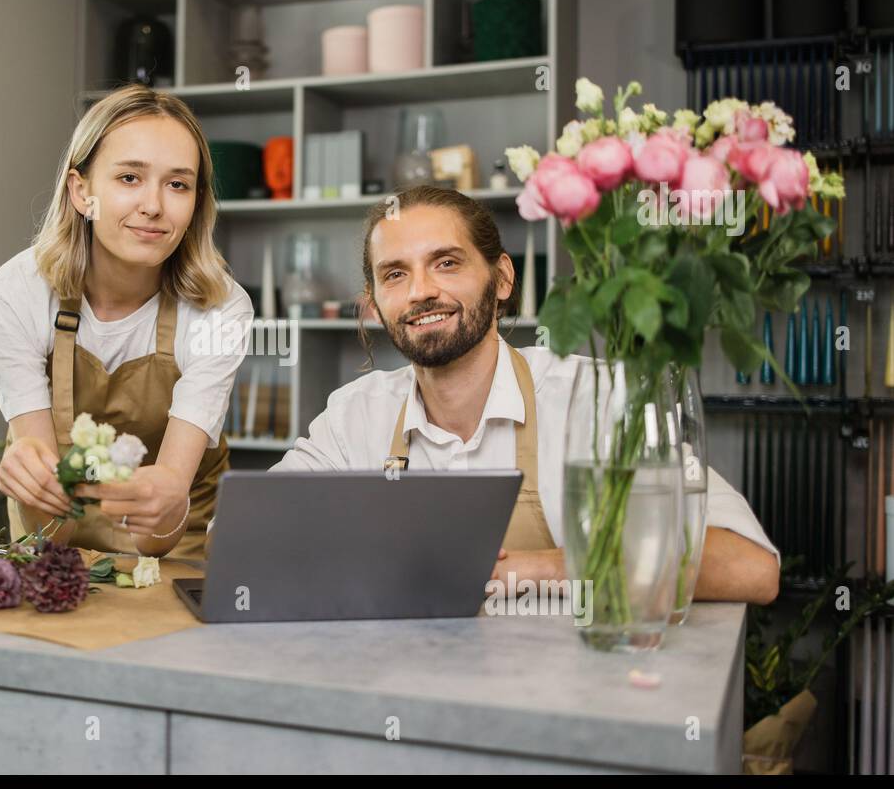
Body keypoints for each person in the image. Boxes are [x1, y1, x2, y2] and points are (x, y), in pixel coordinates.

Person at [271, 185, 779, 605]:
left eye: (446, 263)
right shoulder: (354, 416)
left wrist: (550, 566)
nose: (420, 291)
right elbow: (254, 534)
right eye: (395, 274)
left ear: (503, 278)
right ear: (375, 302)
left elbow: (748, 566)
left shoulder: (594, 398)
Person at [0, 84, 253, 560]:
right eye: (130, 178)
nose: (153, 205)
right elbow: (48, 530)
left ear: (195, 204)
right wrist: (33, 483)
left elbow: (158, 531)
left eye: (177, 184)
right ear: (81, 191)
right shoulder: (15, 293)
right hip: (53, 545)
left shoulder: (221, 311)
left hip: (175, 543)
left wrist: (166, 493)